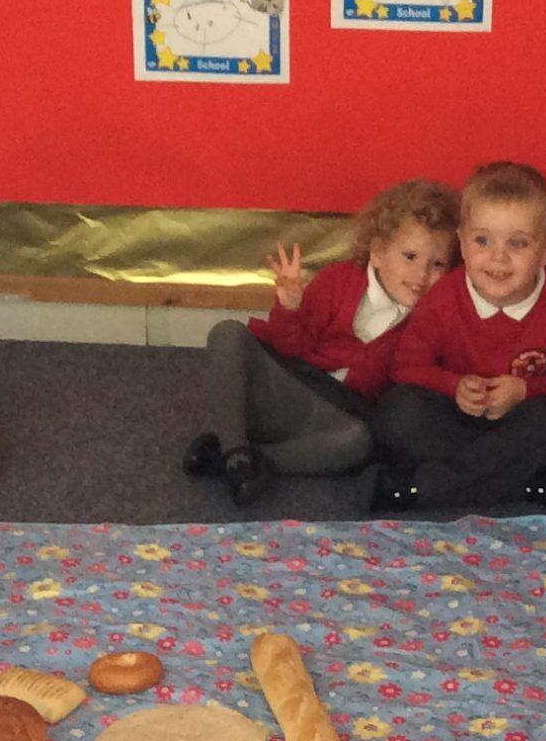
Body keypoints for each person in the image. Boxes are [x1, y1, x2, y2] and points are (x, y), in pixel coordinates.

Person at [179, 177, 459, 505]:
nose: (422, 275)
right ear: (379, 253)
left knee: (358, 444)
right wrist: (290, 308)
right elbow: (289, 346)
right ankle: (235, 450)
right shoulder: (337, 281)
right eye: (410, 256)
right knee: (227, 332)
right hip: (290, 387)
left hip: (333, 417)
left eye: (437, 264)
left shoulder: (430, 321)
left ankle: (245, 459)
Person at [368, 160, 546, 512]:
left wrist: (525, 391)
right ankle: (525, 485)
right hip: (454, 420)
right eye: (482, 240)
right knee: (397, 413)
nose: (498, 258)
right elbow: (406, 367)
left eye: (518, 244)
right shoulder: (443, 298)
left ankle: (423, 489)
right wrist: (453, 385)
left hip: (521, 421)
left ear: (545, 250)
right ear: (462, 243)